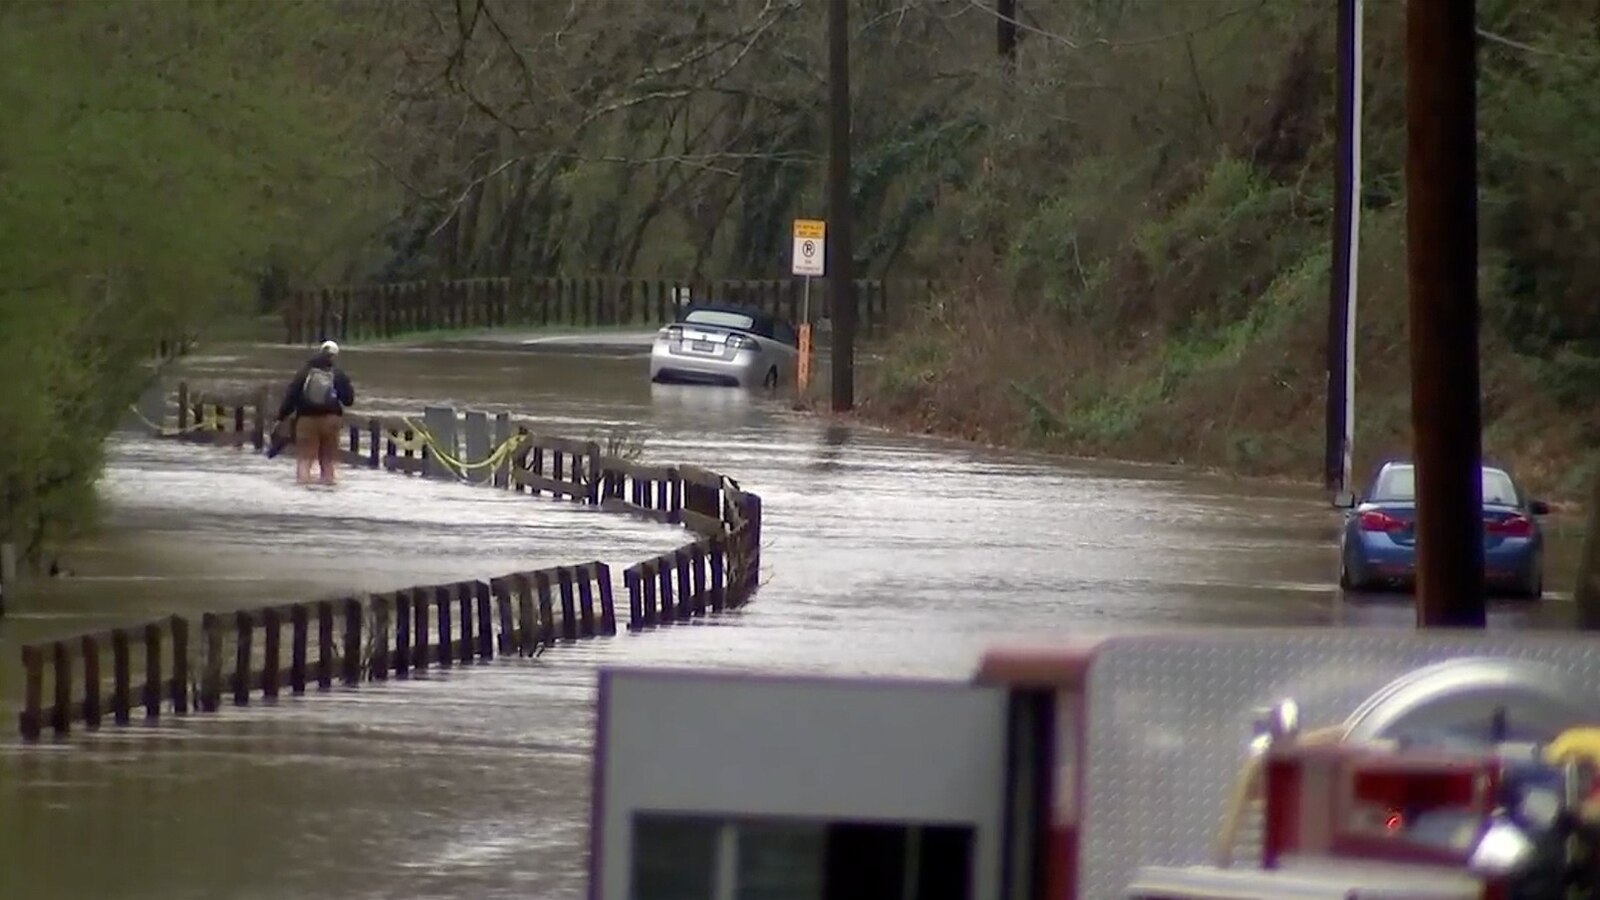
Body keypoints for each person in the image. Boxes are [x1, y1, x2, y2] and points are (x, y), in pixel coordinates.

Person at [276, 340, 355, 485]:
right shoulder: (338, 374)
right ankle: (328, 489)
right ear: (334, 356)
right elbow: (348, 400)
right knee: (327, 460)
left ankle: (303, 492)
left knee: (305, 459)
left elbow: (291, 397)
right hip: (332, 420)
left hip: (307, 420)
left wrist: (281, 417)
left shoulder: (304, 372)